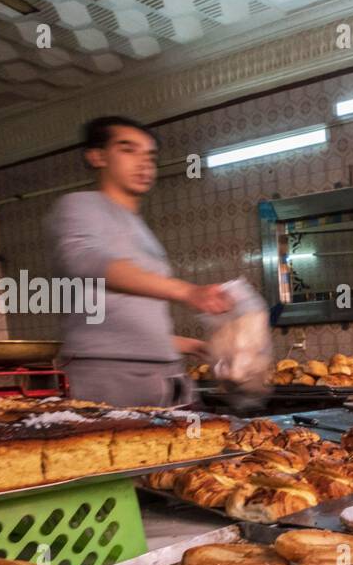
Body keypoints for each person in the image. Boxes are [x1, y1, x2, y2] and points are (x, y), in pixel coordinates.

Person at [46, 116, 231, 407]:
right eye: (128, 149)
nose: (144, 163)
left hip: (165, 373)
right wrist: (187, 291)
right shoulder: (79, 205)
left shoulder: (141, 230)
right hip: (107, 374)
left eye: (150, 155)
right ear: (97, 156)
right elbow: (84, 260)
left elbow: (133, 319)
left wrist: (194, 346)